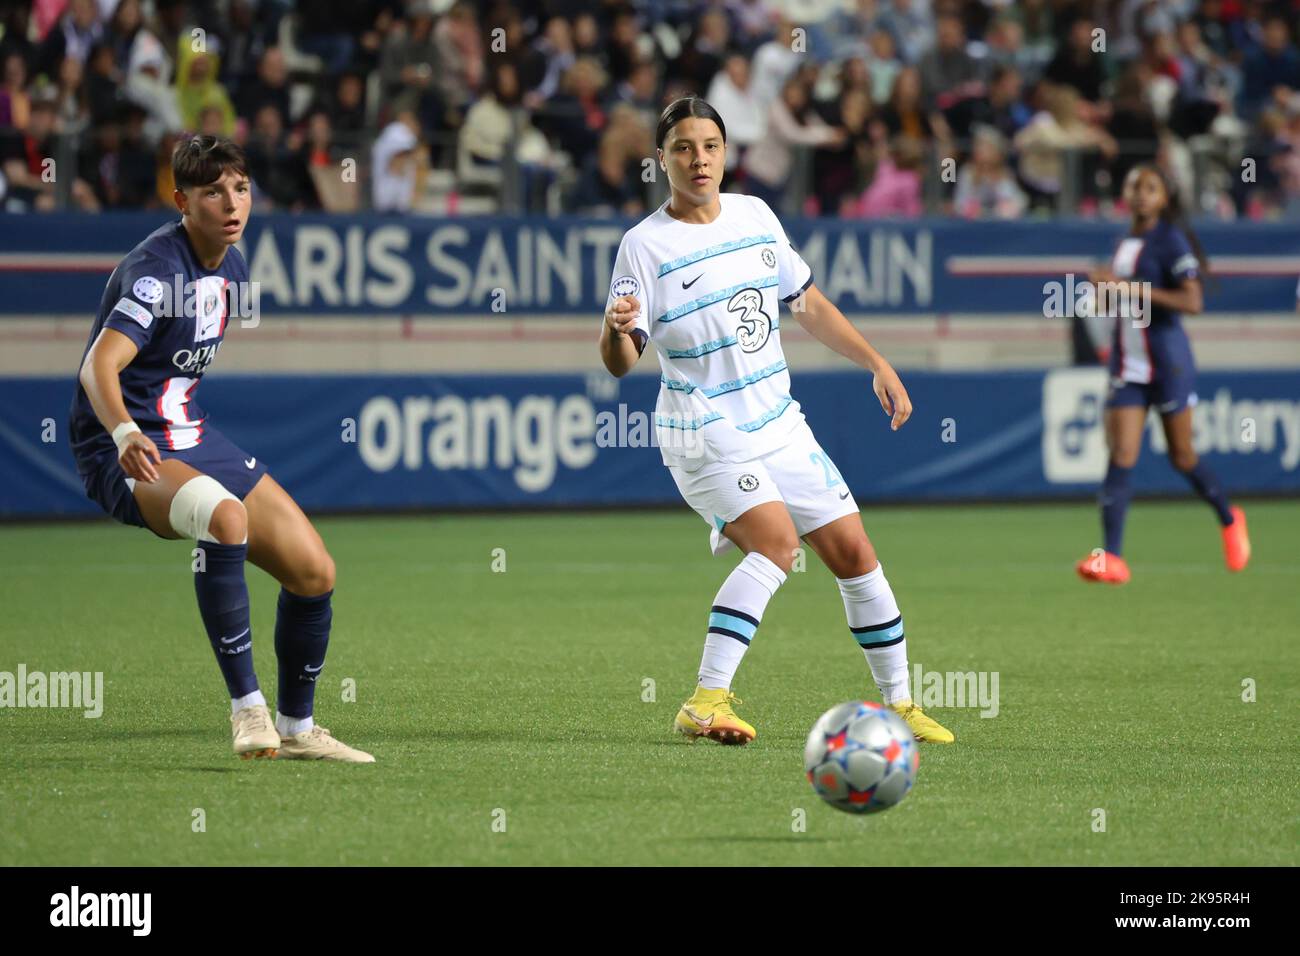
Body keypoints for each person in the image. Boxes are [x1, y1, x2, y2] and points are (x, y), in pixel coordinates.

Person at [600, 96, 954, 747]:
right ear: (661, 159)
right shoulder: (644, 246)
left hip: (779, 421)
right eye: (683, 147)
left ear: (726, 152)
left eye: (709, 145)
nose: (698, 158)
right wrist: (615, 329)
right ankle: (706, 701)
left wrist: (875, 360)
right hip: (702, 430)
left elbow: (808, 303)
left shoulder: (755, 216)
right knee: (777, 544)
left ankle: (899, 705)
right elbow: (622, 361)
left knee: (855, 553)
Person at [69, 135, 372, 762]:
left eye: (240, 188)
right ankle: (248, 713)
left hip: (190, 433)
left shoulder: (232, 263)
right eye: (213, 192)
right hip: (122, 445)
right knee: (225, 518)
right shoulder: (155, 271)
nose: (232, 204)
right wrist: (124, 433)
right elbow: (98, 367)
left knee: (315, 572)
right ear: (182, 201)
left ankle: (296, 729)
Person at [1075, 164, 1250, 585]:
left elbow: (1193, 302)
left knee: (1182, 456)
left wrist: (1126, 287)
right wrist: (1100, 295)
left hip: (1168, 364)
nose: (1139, 193)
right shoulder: (1123, 242)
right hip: (1128, 365)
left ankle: (1229, 518)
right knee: (1121, 455)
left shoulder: (1170, 240)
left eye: (1150, 188)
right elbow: (1116, 302)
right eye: (1134, 185)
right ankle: (1111, 558)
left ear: (1164, 198)